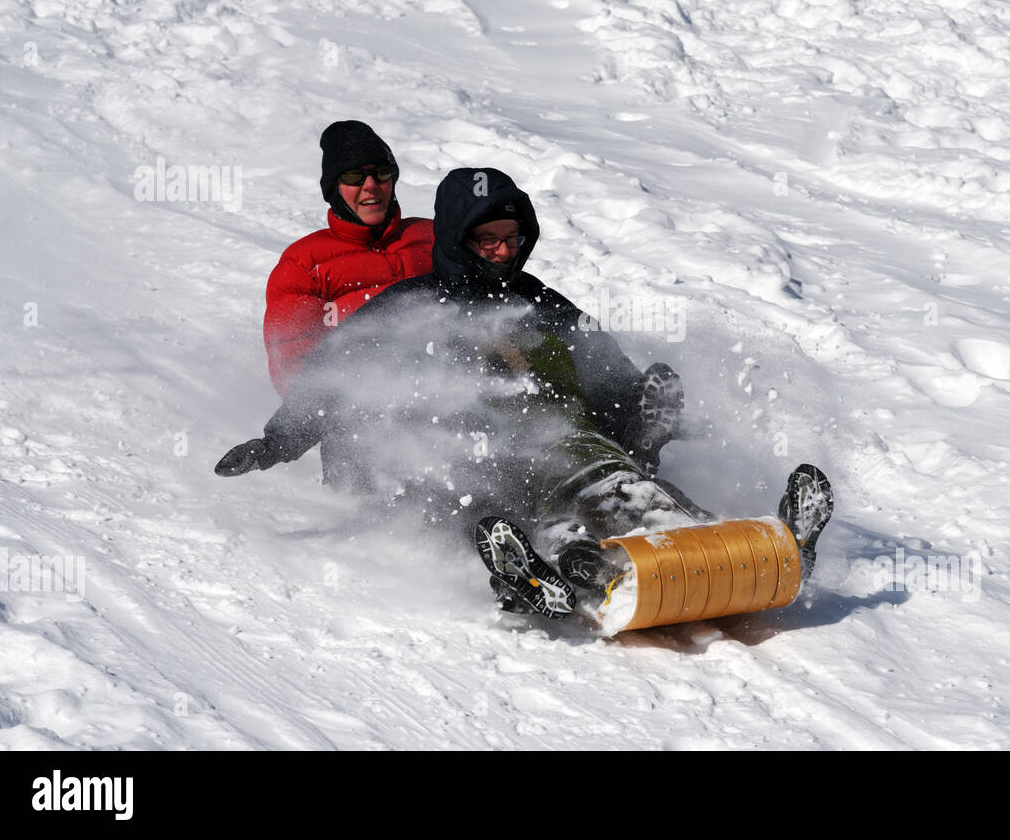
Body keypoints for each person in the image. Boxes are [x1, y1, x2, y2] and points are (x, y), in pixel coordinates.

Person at [217, 167, 833, 623]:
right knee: (509, 487)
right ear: (459, 240)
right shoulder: (408, 307)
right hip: (465, 457)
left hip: (562, 435)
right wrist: (281, 439)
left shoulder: (537, 297)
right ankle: (559, 571)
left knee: (621, 481)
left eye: (513, 238)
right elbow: (339, 375)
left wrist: (642, 408)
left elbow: (601, 361)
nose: (504, 252)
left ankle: (755, 550)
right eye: (487, 241)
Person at [262, 121, 435, 488]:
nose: (370, 186)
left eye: (381, 173)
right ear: (335, 189)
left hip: (449, 402)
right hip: (357, 424)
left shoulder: (432, 238)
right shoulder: (305, 263)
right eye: (355, 177)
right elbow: (295, 363)